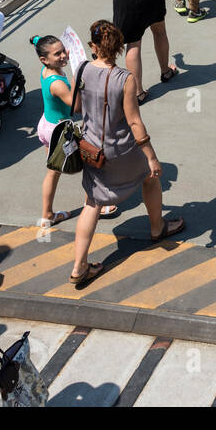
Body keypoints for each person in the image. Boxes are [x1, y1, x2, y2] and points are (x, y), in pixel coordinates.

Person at [67, 21, 184, 289]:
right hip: (121, 149)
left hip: (92, 149)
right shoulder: (125, 79)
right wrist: (151, 156)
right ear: (119, 47)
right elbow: (134, 122)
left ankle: (79, 266)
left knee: (92, 203)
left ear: (93, 47)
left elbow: (75, 106)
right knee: (149, 177)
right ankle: (158, 227)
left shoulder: (82, 70)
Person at [29, 35, 114, 226]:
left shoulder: (47, 70)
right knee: (90, 165)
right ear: (44, 59)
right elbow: (75, 107)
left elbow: (39, 42)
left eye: (63, 50)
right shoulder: (57, 83)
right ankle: (93, 204)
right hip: (59, 132)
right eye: (57, 53)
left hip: (46, 126)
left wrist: (37, 40)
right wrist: (79, 78)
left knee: (52, 172)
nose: (63, 55)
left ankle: (47, 215)